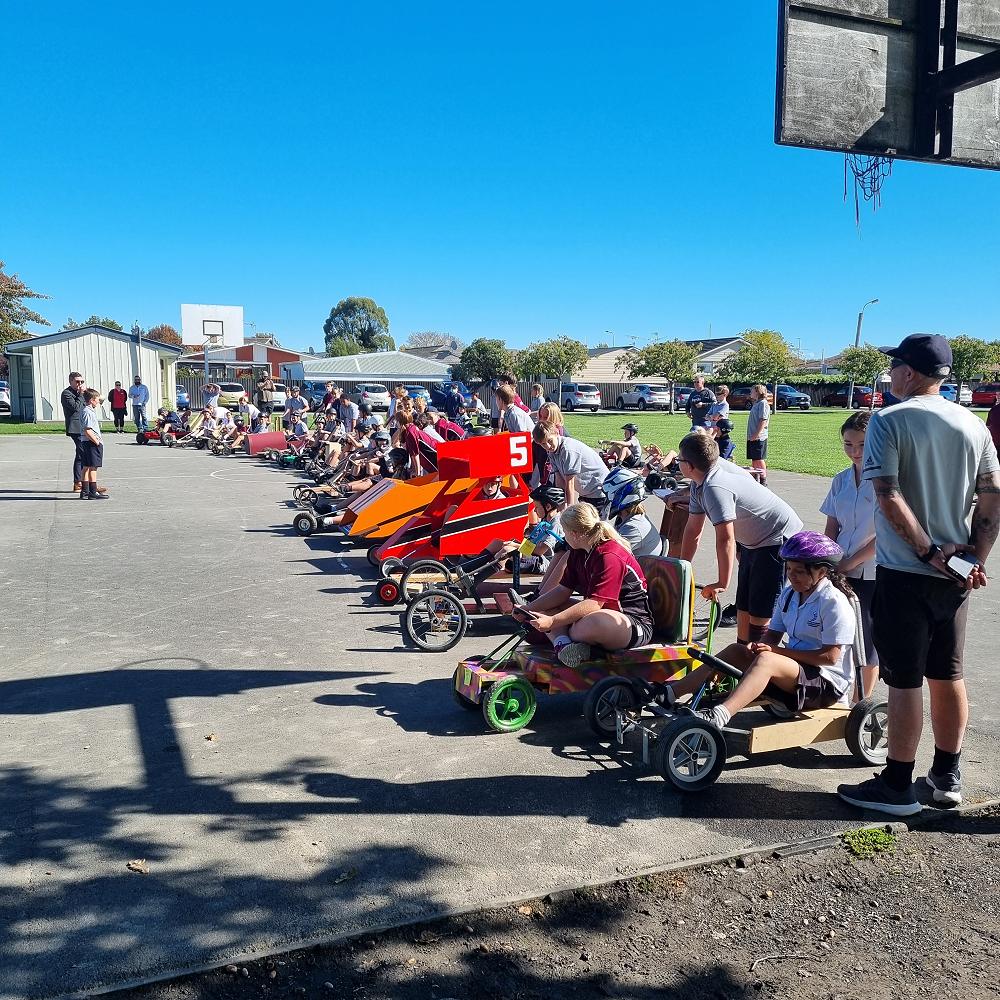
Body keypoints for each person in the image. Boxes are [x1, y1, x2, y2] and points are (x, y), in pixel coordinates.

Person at [837, 334, 1000, 816]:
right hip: (955, 576)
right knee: (948, 674)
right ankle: (947, 775)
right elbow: (991, 499)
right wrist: (973, 559)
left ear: (910, 372)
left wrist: (929, 553)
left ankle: (896, 787)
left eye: (894, 368)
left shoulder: (889, 419)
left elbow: (886, 495)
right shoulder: (973, 425)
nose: (890, 377)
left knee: (904, 680)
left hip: (907, 570)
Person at [664, 532, 857, 727]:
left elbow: (830, 657)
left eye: (799, 571)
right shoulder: (790, 594)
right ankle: (668, 694)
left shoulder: (833, 602)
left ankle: (719, 716)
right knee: (736, 650)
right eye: (789, 569)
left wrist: (774, 651)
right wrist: (757, 646)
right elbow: (773, 634)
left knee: (767, 659)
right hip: (796, 670)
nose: (791, 575)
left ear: (822, 572)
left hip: (826, 682)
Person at [679, 431, 803, 645]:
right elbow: (692, 530)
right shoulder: (698, 484)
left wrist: (722, 582)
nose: (677, 463)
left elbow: (725, 539)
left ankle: (759, 661)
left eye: (680, 459)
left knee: (760, 609)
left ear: (689, 466)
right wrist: (681, 567)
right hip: (753, 541)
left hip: (776, 538)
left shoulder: (714, 488)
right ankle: (741, 658)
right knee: (743, 606)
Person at [512, 502, 655, 667]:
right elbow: (562, 590)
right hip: (601, 612)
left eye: (565, 532)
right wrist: (529, 608)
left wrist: (553, 621)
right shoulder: (578, 551)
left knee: (590, 624)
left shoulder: (609, 555)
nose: (564, 536)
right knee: (543, 608)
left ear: (574, 534)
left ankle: (569, 640)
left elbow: (595, 603)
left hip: (632, 622)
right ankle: (564, 645)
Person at [821, 411, 878, 698]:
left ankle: (861, 703)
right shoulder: (841, 480)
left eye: (862, 445)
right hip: (840, 570)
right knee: (839, 633)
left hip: (871, 571)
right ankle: (841, 694)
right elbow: (832, 525)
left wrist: (849, 563)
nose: (854, 452)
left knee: (865, 640)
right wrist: (825, 562)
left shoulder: (885, 481)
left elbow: (886, 534)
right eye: (848, 444)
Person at [532, 423, 610, 513]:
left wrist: (569, 509)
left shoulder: (567, 450)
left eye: (550, 441)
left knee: (594, 525)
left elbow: (570, 483)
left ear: (557, 433)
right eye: (543, 444)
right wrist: (560, 505)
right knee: (581, 524)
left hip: (599, 491)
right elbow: (559, 480)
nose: (548, 446)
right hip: (585, 493)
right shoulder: (551, 452)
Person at [602, 466, 662, 557]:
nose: (607, 500)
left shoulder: (633, 527)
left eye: (609, 496)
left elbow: (609, 555)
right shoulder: (629, 517)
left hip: (644, 570)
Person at [61, 372, 91, 493]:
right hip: (75, 428)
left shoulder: (82, 394)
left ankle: (85, 482)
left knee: (83, 454)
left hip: (84, 426)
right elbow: (76, 407)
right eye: (77, 382)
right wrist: (80, 395)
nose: (80, 384)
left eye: (82, 382)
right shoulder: (66, 393)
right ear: (71, 381)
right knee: (81, 453)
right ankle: (79, 483)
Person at [78, 389, 109, 500]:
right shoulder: (88, 412)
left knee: (86, 466)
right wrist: (97, 441)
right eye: (97, 399)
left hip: (86, 442)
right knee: (93, 467)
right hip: (90, 442)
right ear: (91, 400)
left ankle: (85, 491)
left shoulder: (87, 410)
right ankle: (92, 491)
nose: (98, 402)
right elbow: (87, 430)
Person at [747, 384, 770, 486]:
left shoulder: (763, 404)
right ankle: (755, 478)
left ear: (758, 392)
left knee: (759, 459)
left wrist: (756, 434)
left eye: (752, 391)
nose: (751, 393)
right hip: (752, 436)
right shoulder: (756, 403)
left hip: (759, 437)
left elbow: (763, 420)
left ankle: (763, 480)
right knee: (754, 459)